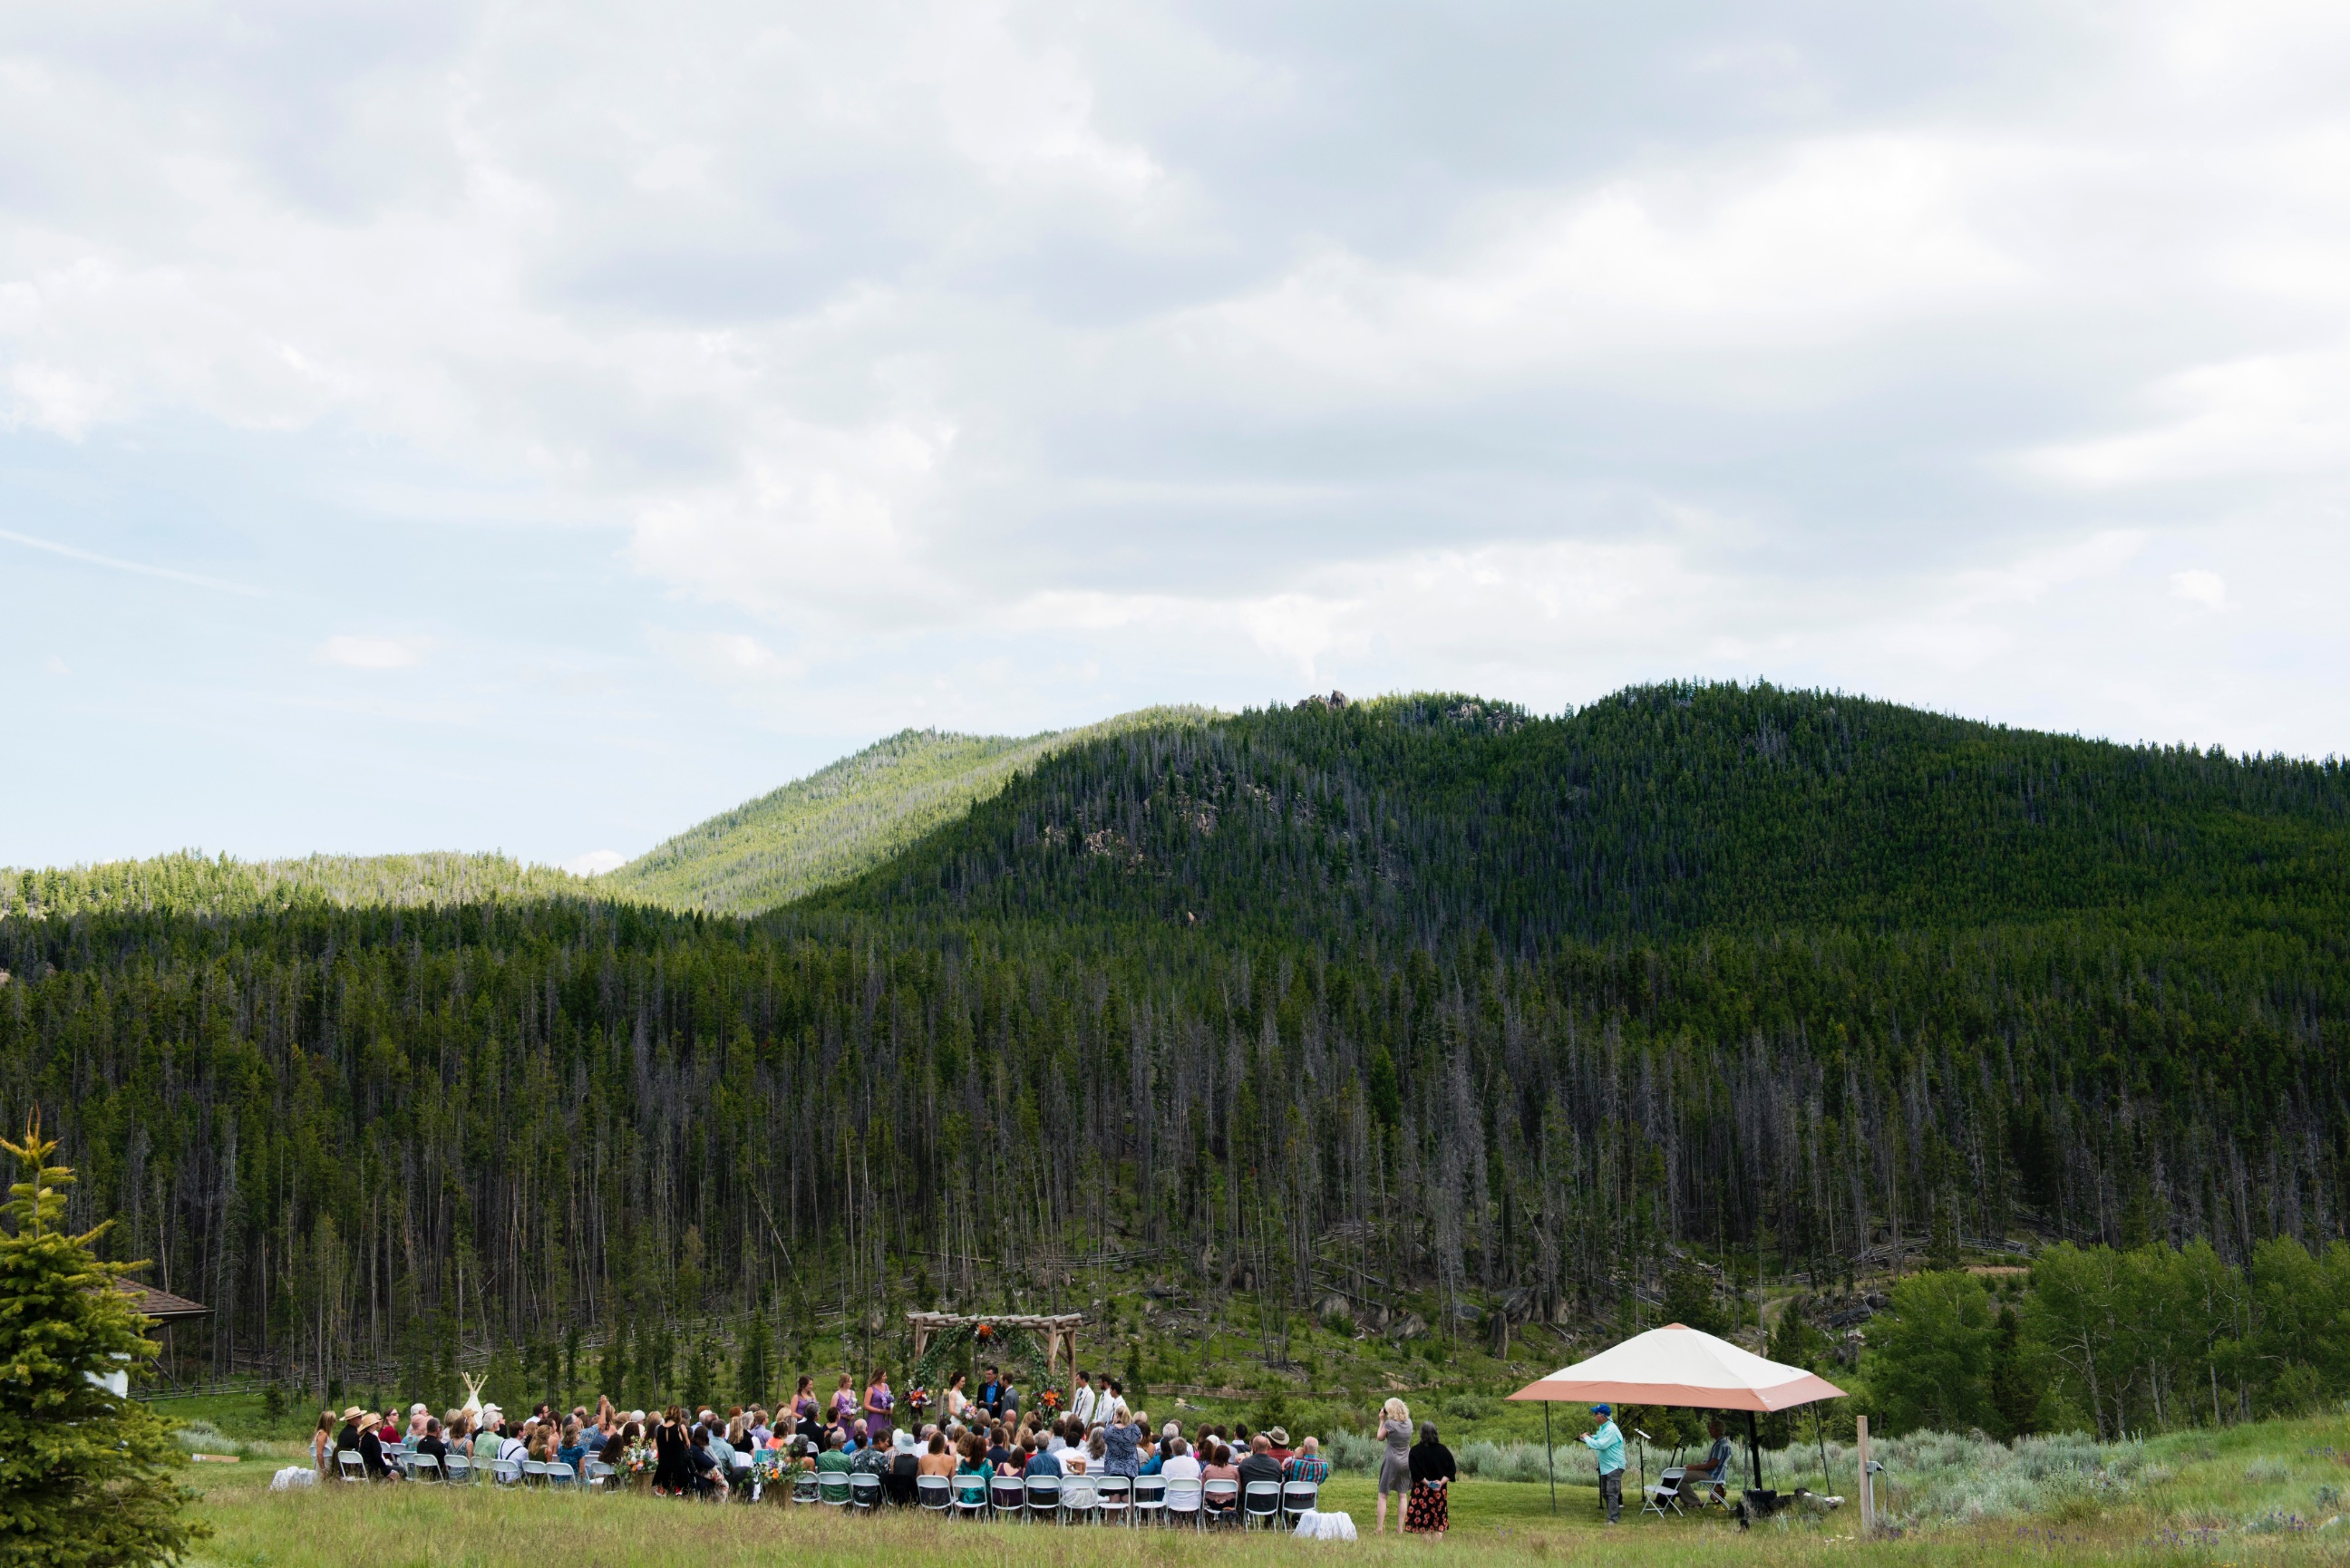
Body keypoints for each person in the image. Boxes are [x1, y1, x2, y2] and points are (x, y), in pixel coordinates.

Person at [1406, 1421, 1455, 1537]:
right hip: (1439, 1491)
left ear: (1421, 1434)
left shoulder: (1415, 1451)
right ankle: (1437, 1548)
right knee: (1438, 1520)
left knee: (1423, 1520)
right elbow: (1451, 1469)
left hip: (1421, 1491)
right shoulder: (1443, 1450)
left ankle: (1427, 1548)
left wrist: (1428, 1483)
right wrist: (1440, 1482)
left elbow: (1415, 1471)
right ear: (1435, 1433)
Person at [1581, 1403, 1626, 1525]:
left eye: (1595, 1414)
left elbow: (1601, 1445)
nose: (1594, 1416)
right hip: (1606, 1467)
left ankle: (1613, 1519)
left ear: (1602, 1416)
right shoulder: (1603, 1428)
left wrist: (1587, 1439)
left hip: (1614, 1466)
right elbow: (1599, 1438)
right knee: (1605, 1493)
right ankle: (1614, 1514)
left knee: (1611, 1493)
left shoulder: (1611, 1428)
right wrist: (1589, 1437)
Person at [1376, 1398, 1413, 1534]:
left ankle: (1380, 1528)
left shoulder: (1390, 1424)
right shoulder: (1409, 1423)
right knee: (1402, 1495)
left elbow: (1380, 1437)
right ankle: (1400, 1529)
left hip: (1392, 1460)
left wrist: (1381, 1421)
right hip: (1406, 1460)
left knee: (1383, 1494)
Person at [1686, 1417, 1735, 1502]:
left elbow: (1712, 1465)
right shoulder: (1724, 1443)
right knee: (1682, 1474)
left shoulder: (1719, 1445)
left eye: (1711, 1428)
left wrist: (1693, 1467)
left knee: (1680, 1478)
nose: (1709, 1430)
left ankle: (1695, 1502)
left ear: (1718, 1431)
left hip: (1711, 1475)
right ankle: (1691, 1501)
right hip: (1716, 1474)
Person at [654, 1406, 692, 1495]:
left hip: (663, 1466)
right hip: (678, 1466)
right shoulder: (680, 1428)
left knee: (663, 1494)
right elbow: (687, 1446)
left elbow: (659, 1446)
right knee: (683, 1494)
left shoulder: (659, 1429)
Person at [1160, 1436, 1200, 1516]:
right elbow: (1199, 1479)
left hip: (1173, 1501)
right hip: (1192, 1501)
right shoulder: (1194, 1462)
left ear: (1172, 1450)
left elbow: (1163, 1482)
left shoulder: (1167, 1464)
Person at [1201, 1441, 1241, 1522]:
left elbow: (1202, 1488)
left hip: (1211, 1503)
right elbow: (1239, 1490)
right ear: (1228, 1456)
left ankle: (1209, 1522)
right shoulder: (1234, 1470)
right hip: (1229, 1503)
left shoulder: (1208, 1469)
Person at [1237, 1432, 1284, 1498]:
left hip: (1249, 1504)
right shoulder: (1276, 1464)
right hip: (1271, 1506)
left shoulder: (1245, 1463)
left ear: (1255, 1448)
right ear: (1267, 1448)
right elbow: (1278, 1481)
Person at [864, 1367, 896, 1446]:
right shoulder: (871, 1388)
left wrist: (891, 1408)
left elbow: (890, 1399)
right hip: (875, 1417)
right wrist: (879, 1411)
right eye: (884, 1376)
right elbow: (865, 1405)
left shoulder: (886, 1386)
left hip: (886, 1417)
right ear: (878, 1376)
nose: (886, 1378)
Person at [357, 1411, 393, 1481]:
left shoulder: (363, 1438)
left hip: (366, 1468)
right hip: (375, 1469)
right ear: (372, 1425)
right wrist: (385, 1467)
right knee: (398, 1472)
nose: (377, 1424)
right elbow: (377, 1457)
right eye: (376, 1423)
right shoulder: (373, 1438)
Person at [312, 1410, 337, 1477]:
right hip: (325, 1465)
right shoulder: (323, 1434)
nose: (335, 1422)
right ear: (328, 1422)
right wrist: (323, 1470)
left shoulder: (322, 1433)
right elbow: (319, 1453)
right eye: (333, 1421)